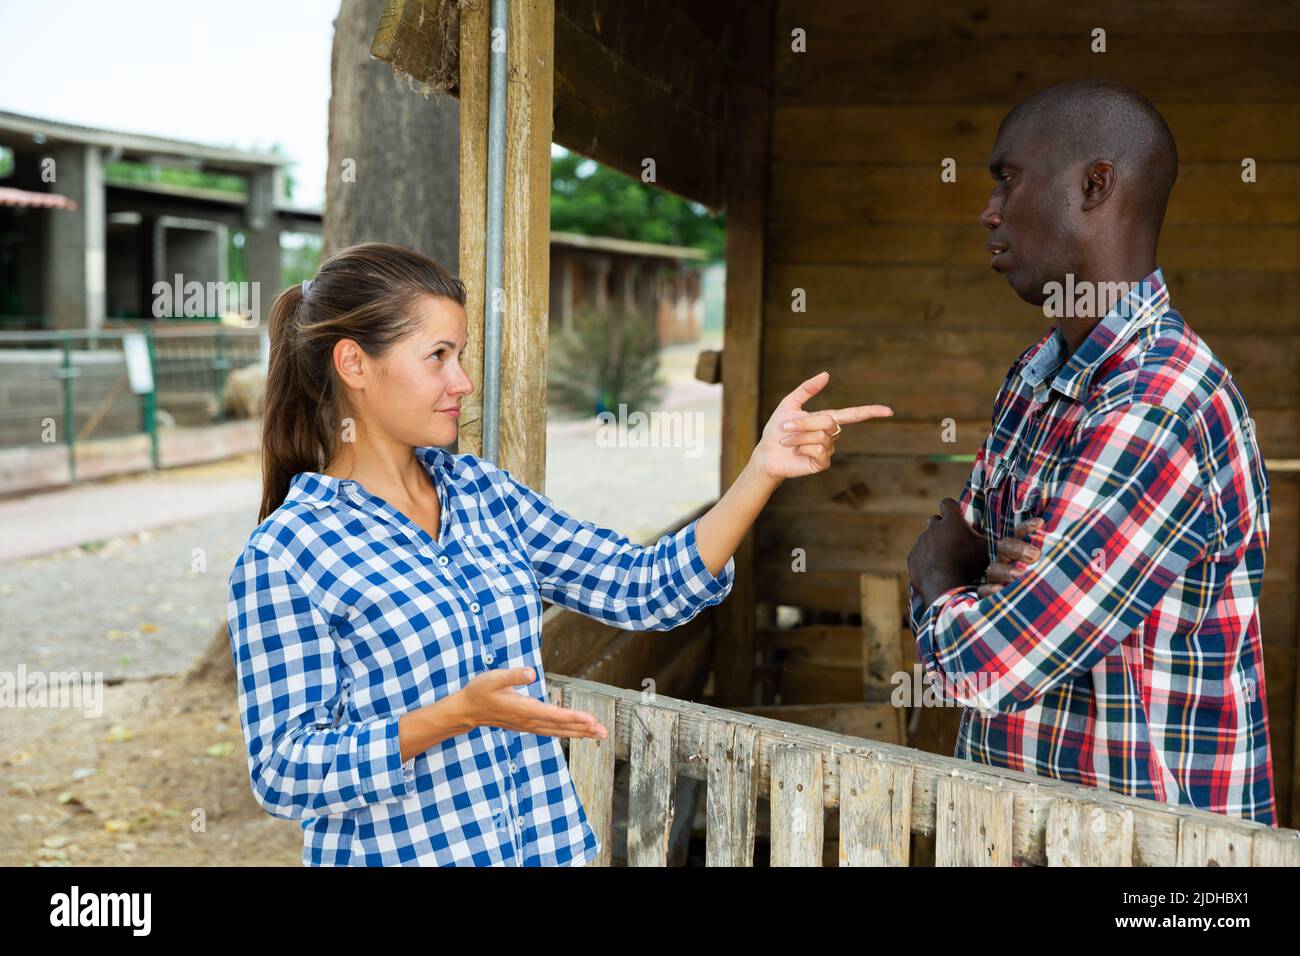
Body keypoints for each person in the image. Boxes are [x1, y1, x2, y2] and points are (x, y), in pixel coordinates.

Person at [226, 241, 893, 865]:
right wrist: (454, 716)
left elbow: (643, 587)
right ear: (354, 365)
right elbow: (285, 772)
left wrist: (761, 471)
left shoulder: (483, 494)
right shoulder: (288, 552)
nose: (461, 381)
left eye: (461, 355)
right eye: (438, 357)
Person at [906, 80, 1276, 824]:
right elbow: (985, 575)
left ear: (1096, 185)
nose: (989, 211)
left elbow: (986, 664)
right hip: (1023, 833)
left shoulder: (1162, 404)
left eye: (1007, 178)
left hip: (1154, 865)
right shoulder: (1035, 376)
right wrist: (984, 585)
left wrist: (941, 577)